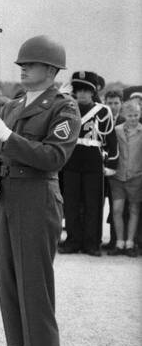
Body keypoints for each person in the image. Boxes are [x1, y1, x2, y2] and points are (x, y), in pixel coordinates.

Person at [0, 36, 80, 346]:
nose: (22, 67)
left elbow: (54, 156)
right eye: (21, 63)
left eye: (31, 63)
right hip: (8, 196)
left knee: (34, 282)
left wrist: (8, 136)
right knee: (10, 280)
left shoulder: (63, 108)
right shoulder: (14, 104)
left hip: (38, 196)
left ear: (51, 71)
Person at [58, 71, 114, 257]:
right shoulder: (67, 108)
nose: (81, 94)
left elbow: (110, 139)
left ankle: (92, 242)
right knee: (71, 203)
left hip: (93, 161)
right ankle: (73, 241)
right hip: (71, 160)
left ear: (93, 92)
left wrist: (112, 163)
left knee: (93, 204)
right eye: (78, 90)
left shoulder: (103, 111)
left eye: (86, 90)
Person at [107, 97, 141, 256]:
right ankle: (119, 243)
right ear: (124, 115)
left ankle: (130, 243)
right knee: (117, 209)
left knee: (134, 210)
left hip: (136, 177)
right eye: (130, 115)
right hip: (118, 177)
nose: (133, 118)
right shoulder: (116, 130)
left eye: (136, 115)